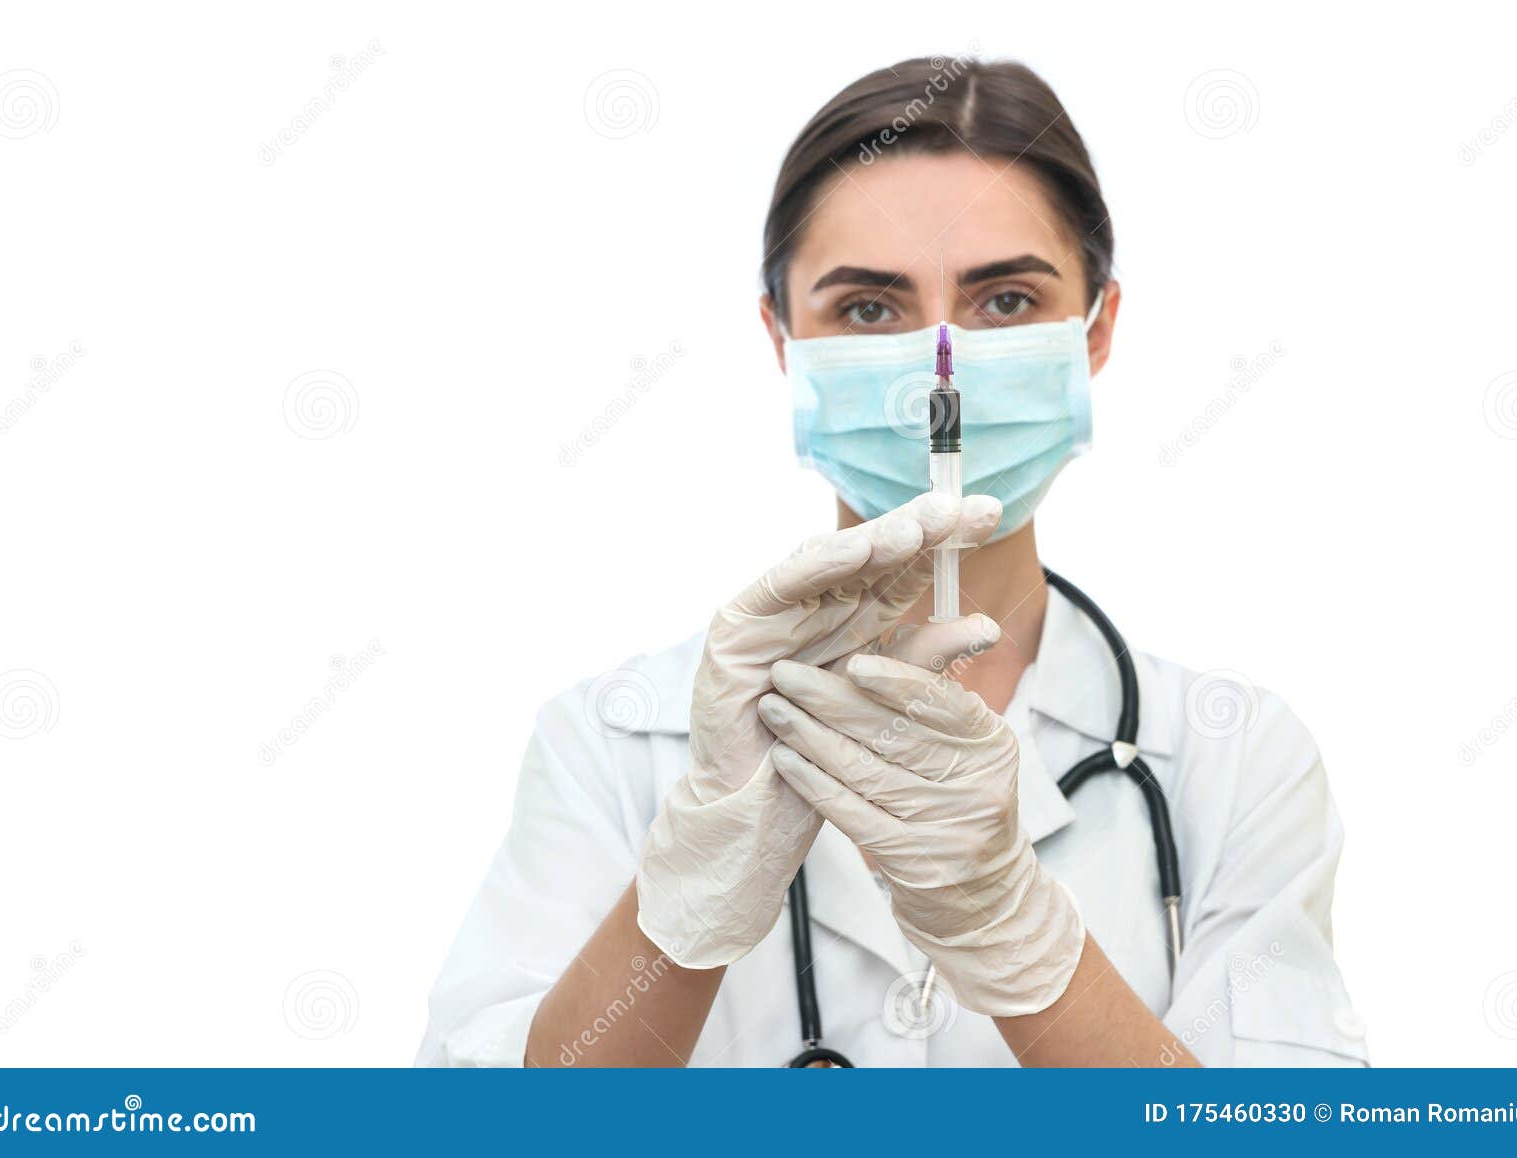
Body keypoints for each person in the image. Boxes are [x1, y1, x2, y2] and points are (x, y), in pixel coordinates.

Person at [418, 57, 1366, 1068]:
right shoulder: (615, 744)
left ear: (1098, 329)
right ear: (781, 337)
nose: (939, 367)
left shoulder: (1230, 758)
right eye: (869, 309)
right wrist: (680, 912)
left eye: (1005, 301)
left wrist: (1024, 946)